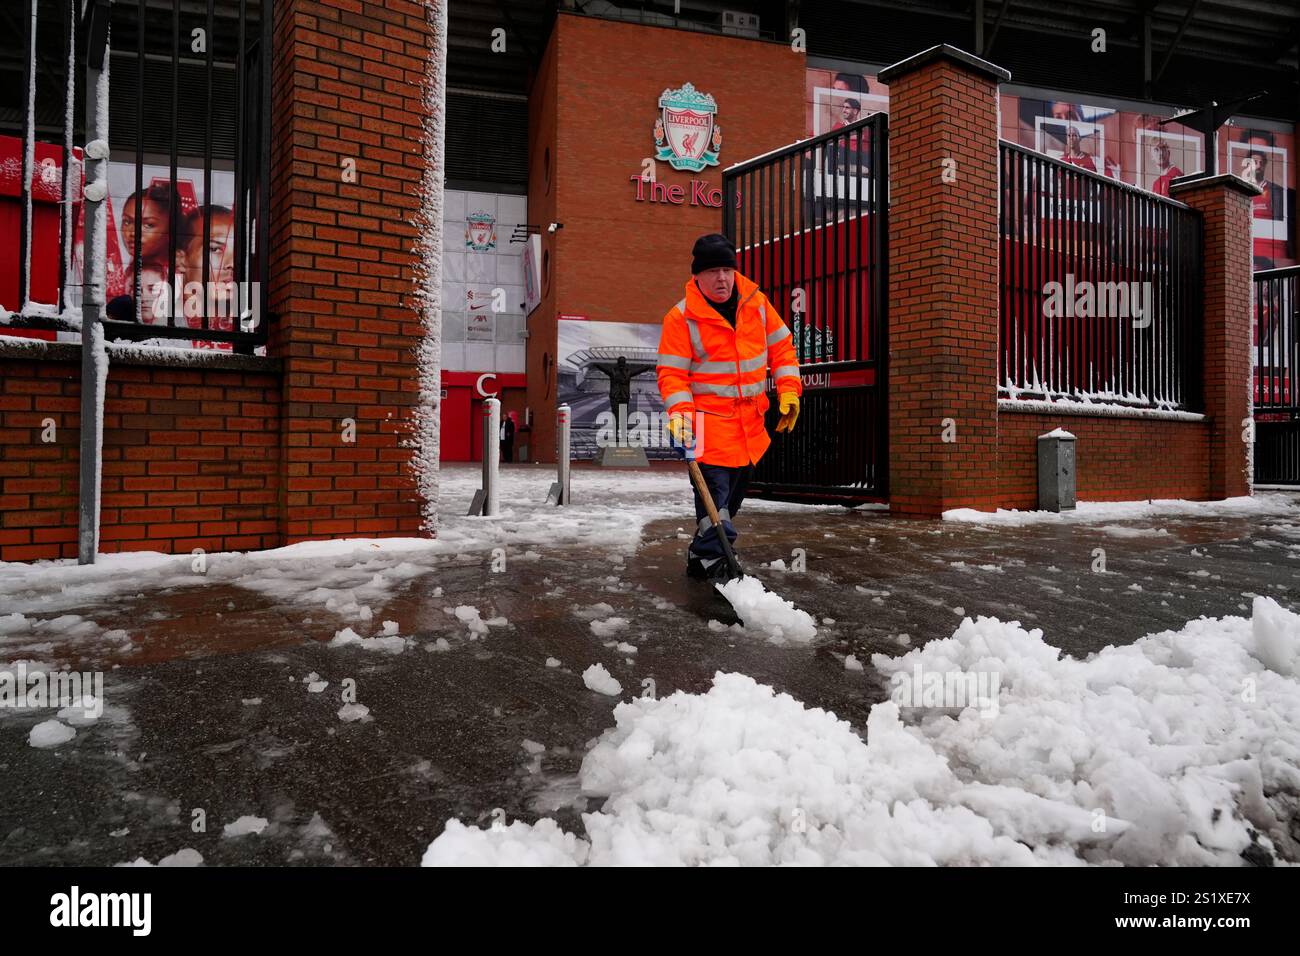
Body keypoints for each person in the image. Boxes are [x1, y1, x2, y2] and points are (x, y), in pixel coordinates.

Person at [656, 233, 802, 582]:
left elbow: (782, 349)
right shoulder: (680, 319)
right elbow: (672, 375)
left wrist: (789, 391)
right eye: (713, 271)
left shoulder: (757, 303)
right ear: (697, 276)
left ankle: (700, 553)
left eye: (727, 269)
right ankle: (717, 560)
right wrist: (680, 415)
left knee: (731, 503)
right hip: (707, 429)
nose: (722, 278)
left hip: (749, 426)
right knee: (715, 503)